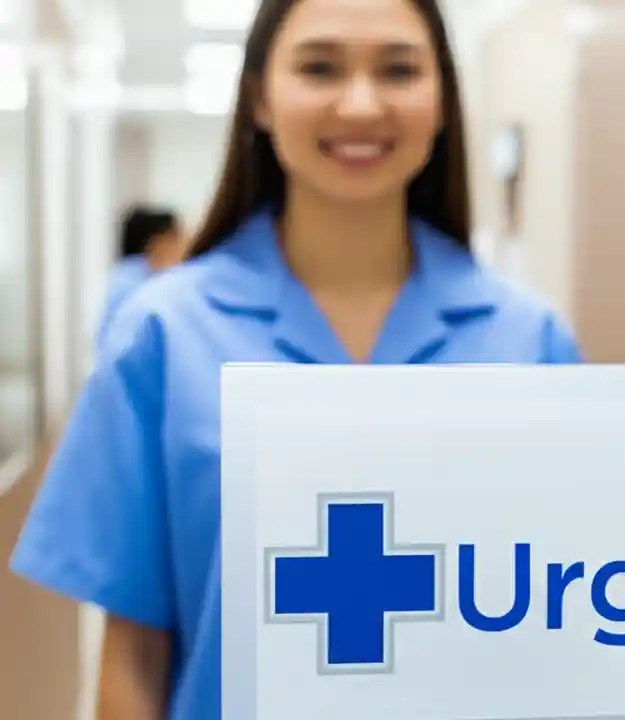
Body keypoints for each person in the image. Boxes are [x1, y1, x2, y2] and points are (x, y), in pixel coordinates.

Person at [9, 0, 582, 718]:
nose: (362, 103)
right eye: (319, 67)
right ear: (259, 99)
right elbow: (133, 654)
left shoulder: (530, 343)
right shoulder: (161, 336)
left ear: (442, 102)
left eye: (400, 70)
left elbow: (566, 631)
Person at [97, 206, 186, 345]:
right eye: (176, 238)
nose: (183, 247)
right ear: (158, 242)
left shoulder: (125, 276)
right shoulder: (140, 285)